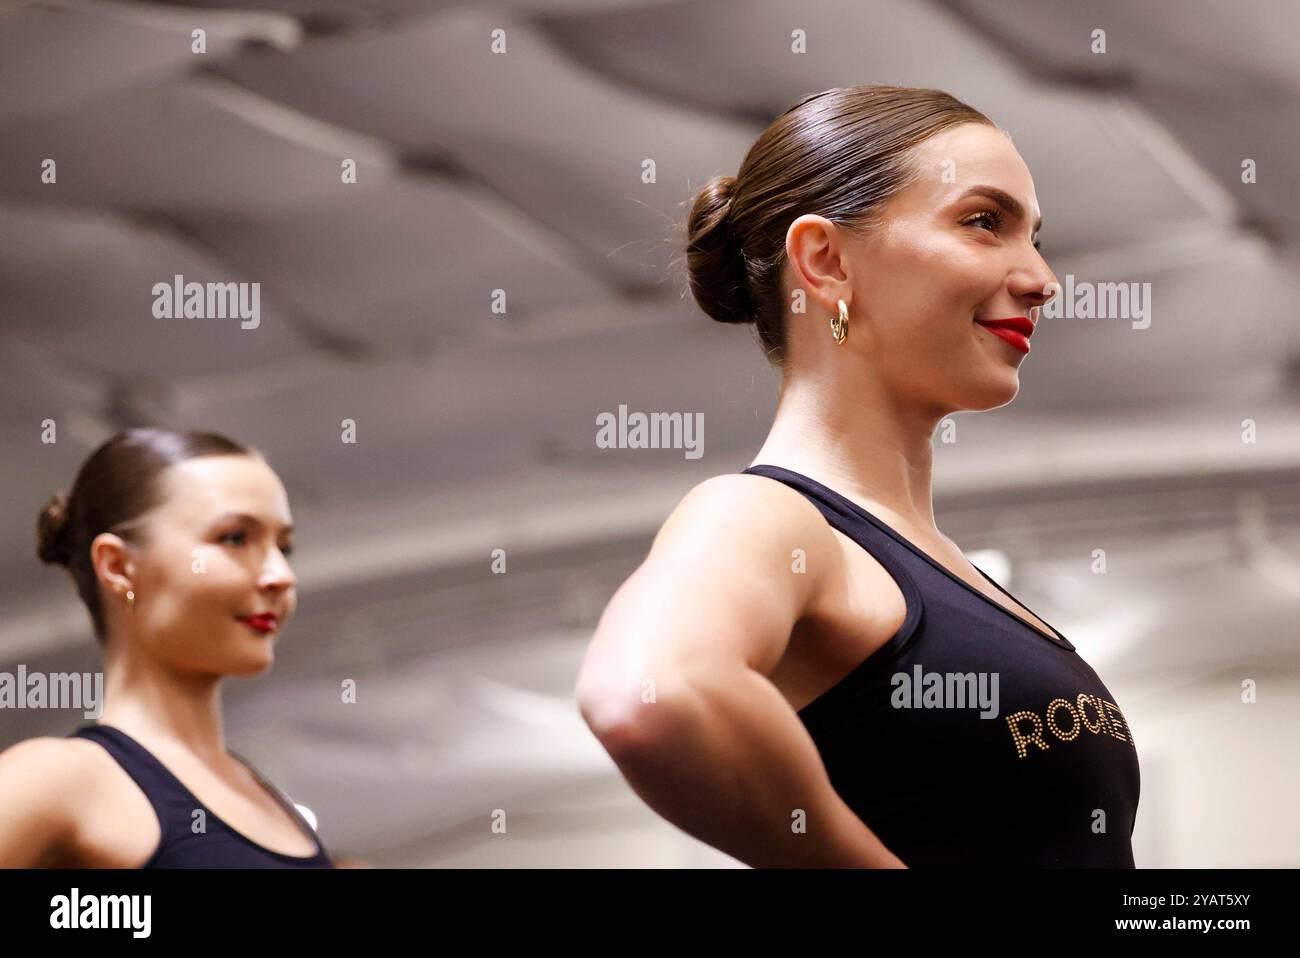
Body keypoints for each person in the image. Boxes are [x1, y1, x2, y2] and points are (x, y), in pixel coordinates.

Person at [575, 85, 1139, 868]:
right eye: (985, 222)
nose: (1042, 278)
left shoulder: (945, 571)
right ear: (827, 262)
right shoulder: (765, 519)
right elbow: (650, 696)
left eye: (1035, 237)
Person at [0, 427, 333, 868]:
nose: (281, 576)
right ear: (118, 567)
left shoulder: (268, 798)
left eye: (284, 548)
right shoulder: (62, 779)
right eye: (235, 538)